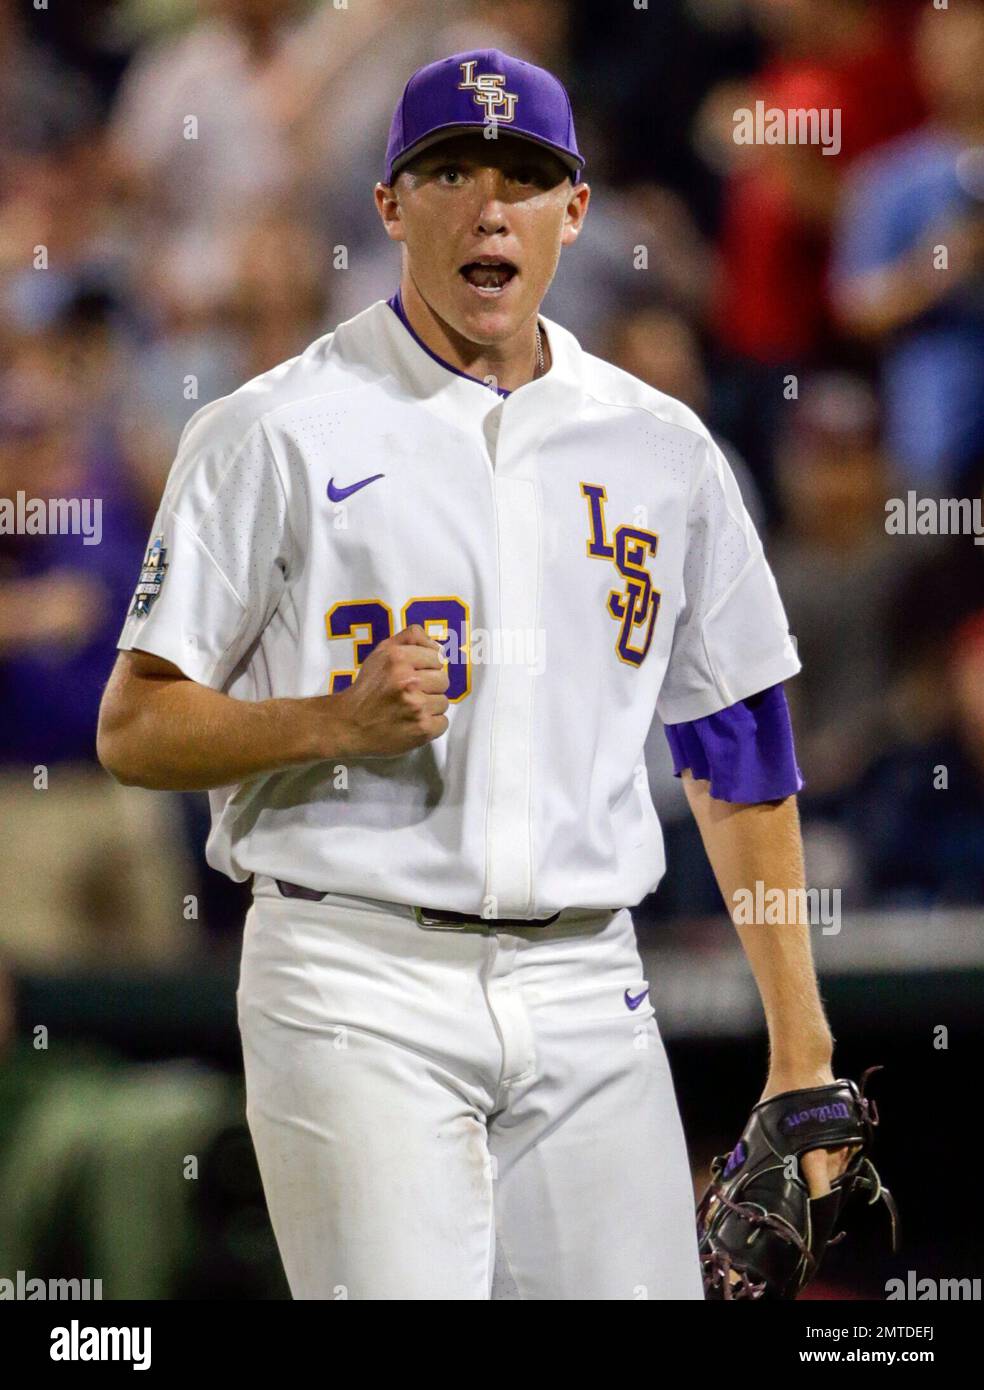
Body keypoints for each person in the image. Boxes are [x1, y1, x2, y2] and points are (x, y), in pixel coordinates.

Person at [97, 49, 849, 1300]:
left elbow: (739, 745)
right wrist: (331, 718)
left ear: (577, 213)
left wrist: (801, 1040)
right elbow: (134, 725)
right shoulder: (271, 430)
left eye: (526, 177)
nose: (489, 207)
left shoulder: (662, 448)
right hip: (354, 977)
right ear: (390, 206)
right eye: (450, 170)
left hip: (589, 981)